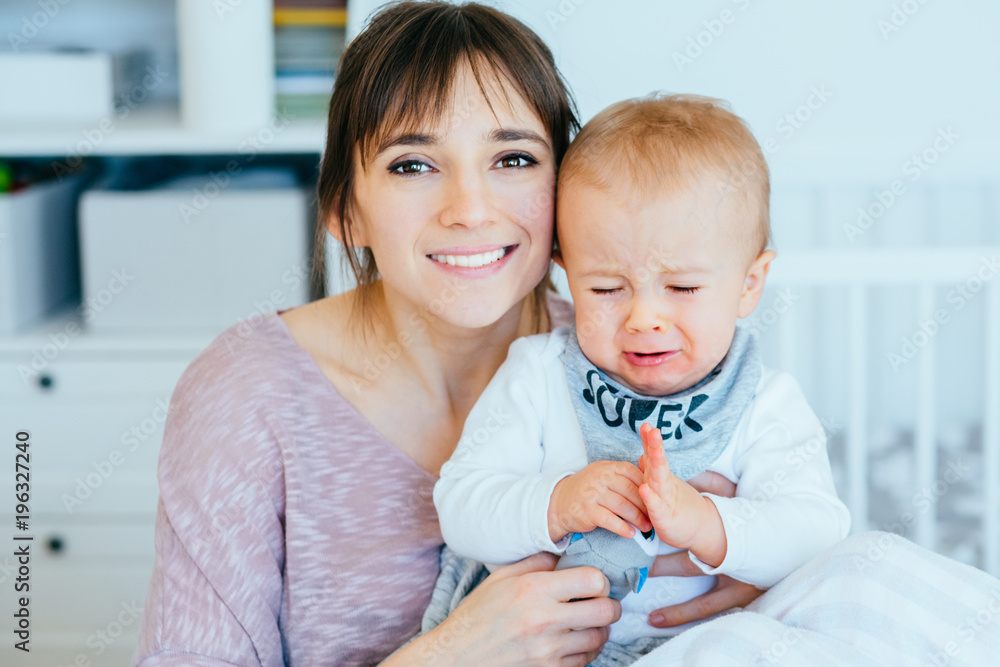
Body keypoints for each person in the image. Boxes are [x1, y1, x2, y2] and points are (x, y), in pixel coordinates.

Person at [131, 4, 762, 666]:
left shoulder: (651, 352)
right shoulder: (246, 395)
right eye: (412, 165)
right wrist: (452, 652)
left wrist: (757, 556)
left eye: (514, 158)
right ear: (346, 208)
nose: (470, 209)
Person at [433, 95, 851, 665]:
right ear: (566, 279)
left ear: (750, 284)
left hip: (712, 646)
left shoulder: (762, 402)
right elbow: (461, 507)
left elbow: (818, 532)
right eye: (607, 288)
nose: (644, 318)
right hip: (550, 648)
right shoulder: (537, 375)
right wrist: (555, 503)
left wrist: (707, 524)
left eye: (681, 288)